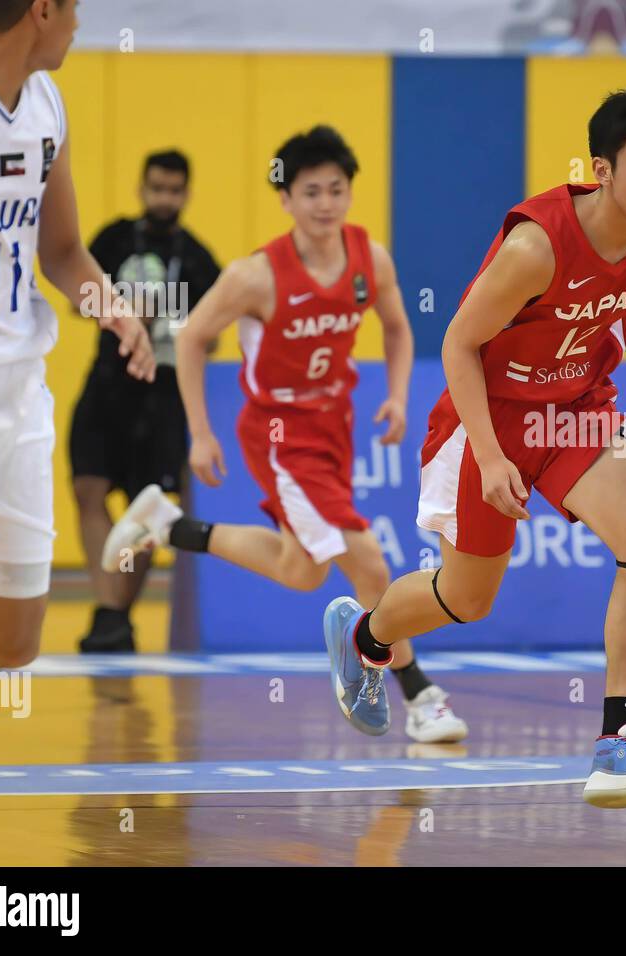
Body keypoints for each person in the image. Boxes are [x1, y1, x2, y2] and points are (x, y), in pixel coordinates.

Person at [322, 85, 626, 808]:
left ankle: (618, 743)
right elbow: (460, 344)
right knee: (466, 600)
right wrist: (494, 457)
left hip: (577, 414)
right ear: (602, 169)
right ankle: (367, 640)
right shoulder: (538, 245)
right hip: (490, 420)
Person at [104, 126, 468, 743]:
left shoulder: (368, 257)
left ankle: (165, 524)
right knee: (368, 560)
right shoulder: (256, 276)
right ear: (286, 198)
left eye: (336, 190)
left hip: (334, 422)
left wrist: (400, 397)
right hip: (278, 433)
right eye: (310, 192)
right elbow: (191, 337)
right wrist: (199, 432)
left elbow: (398, 327)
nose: (325, 203)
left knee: (301, 570)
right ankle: (420, 696)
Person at [0, 0, 155, 866]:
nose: (82, 28)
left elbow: (61, 252)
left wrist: (115, 311)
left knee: (11, 641)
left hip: (20, 398)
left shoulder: (48, 106)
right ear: (41, 9)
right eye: (77, 11)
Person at [69, 149, 220, 652]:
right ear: (141, 187)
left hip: (164, 394)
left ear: (187, 194)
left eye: (174, 191)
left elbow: (213, 336)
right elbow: (77, 298)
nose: (164, 199)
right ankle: (110, 607)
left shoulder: (198, 260)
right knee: (88, 488)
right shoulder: (112, 240)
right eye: (156, 188)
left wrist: (170, 321)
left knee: (147, 506)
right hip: (109, 382)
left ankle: (116, 615)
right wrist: (120, 312)